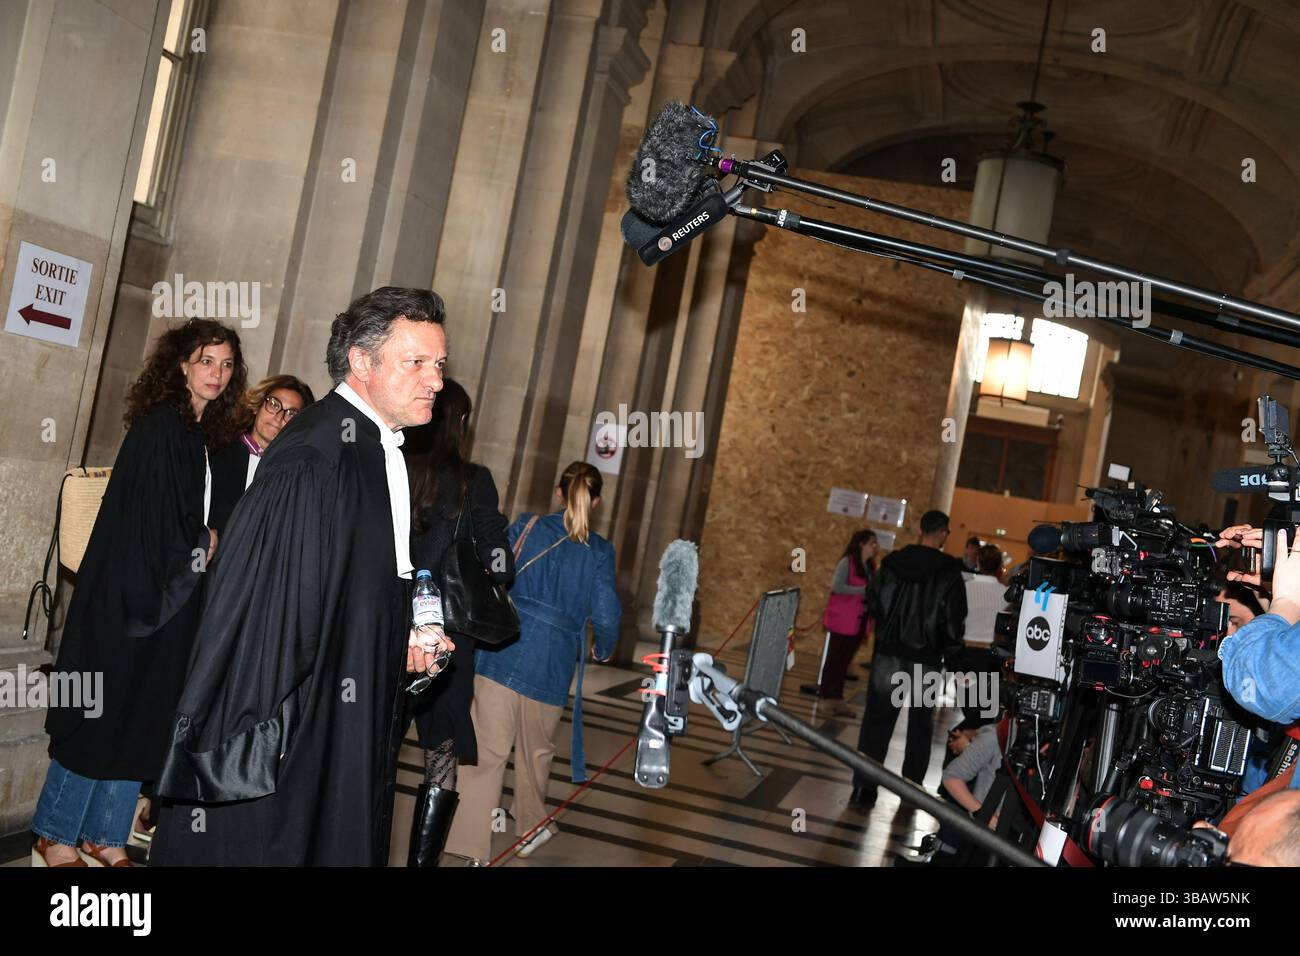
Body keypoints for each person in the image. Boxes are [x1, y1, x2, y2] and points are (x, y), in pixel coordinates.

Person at [148, 286, 454, 866]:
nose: (435, 379)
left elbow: (364, 584)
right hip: (299, 728)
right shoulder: (316, 453)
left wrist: (409, 634)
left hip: (346, 713)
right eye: (416, 363)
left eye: (438, 364)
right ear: (361, 363)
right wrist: (248, 748)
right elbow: (265, 612)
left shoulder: (374, 446)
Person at [33, 319, 245, 867]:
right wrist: (205, 540)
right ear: (181, 365)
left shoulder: (201, 435)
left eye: (225, 364)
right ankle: (54, 834)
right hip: (129, 599)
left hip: (172, 598)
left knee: (144, 713)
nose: (217, 374)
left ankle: (104, 835)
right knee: (101, 710)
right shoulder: (160, 426)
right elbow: (151, 521)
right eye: (206, 361)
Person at [445, 462, 621, 864]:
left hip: (503, 651)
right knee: (535, 753)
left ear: (560, 493)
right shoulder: (600, 551)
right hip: (552, 664)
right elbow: (607, 613)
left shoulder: (527, 526)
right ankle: (530, 828)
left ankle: (470, 848)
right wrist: (604, 648)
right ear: (596, 501)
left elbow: (495, 567)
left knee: (485, 753)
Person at [403, 377, 514, 866]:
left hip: (387, 624)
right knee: (441, 751)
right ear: (459, 422)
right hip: (448, 638)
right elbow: (499, 561)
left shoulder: (394, 467)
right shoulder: (474, 481)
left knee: (372, 743)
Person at [850, 509, 967, 808]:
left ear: (920, 531)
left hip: (889, 654)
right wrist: (953, 656)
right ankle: (911, 791)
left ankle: (864, 789)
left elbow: (873, 601)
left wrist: (887, 632)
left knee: (876, 723)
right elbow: (953, 619)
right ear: (942, 533)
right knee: (920, 727)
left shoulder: (891, 564)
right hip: (926, 659)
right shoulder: (949, 572)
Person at [207, 374, 315, 532]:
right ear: (258, 406)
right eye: (273, 404)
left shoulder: (294, 475)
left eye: (291, 414)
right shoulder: (218, 451)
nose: (278, 417)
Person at [801, 530, 878, 716]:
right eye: (872, 543)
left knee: (844, 662)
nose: (875, 548)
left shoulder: (870, 567)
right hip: (844, 620)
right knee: (834, 660)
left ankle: (837, 698)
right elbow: (837, 586)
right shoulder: (847, 562)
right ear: (861, 544)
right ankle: (826, 698)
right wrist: (863, 590)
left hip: (859, 621)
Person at [959, 544, 1007, 727]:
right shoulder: (1005, 594)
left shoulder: (965, 588)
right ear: (998, 567)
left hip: (966, 657)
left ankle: (959, 745)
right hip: (992, 659)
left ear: (978, 562)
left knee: (969, 710)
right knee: (984, 715)